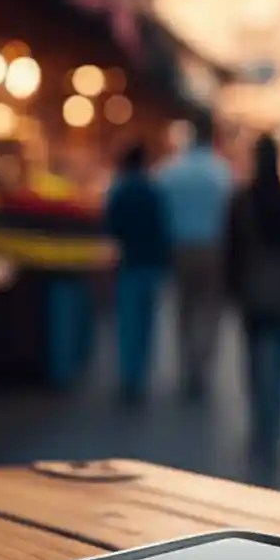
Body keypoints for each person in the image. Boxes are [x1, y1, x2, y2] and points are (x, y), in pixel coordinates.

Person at [224, 135, 280, 457]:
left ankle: (259, 423)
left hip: (253, 292)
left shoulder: (242, 200)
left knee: (253, 361)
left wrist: (232, 290)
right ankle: (275, 424)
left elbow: (232, 251)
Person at [155, 115, 234, 400]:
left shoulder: (171, 171)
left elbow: (160, 211)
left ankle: (189, 365)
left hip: (180, 248)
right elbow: (230, 214)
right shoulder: (220, 171)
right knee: (209, 312)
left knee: (185, 310)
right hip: (212, 249)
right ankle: (202, 365)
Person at [105, 145, 172, 404]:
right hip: (152, 264)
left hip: (129, 262)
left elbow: (111, 225)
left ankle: (129, 377)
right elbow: (164, 226)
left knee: (128, 323)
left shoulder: (119, 190)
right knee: (146, 324)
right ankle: (141, 375)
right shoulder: (155, 191)